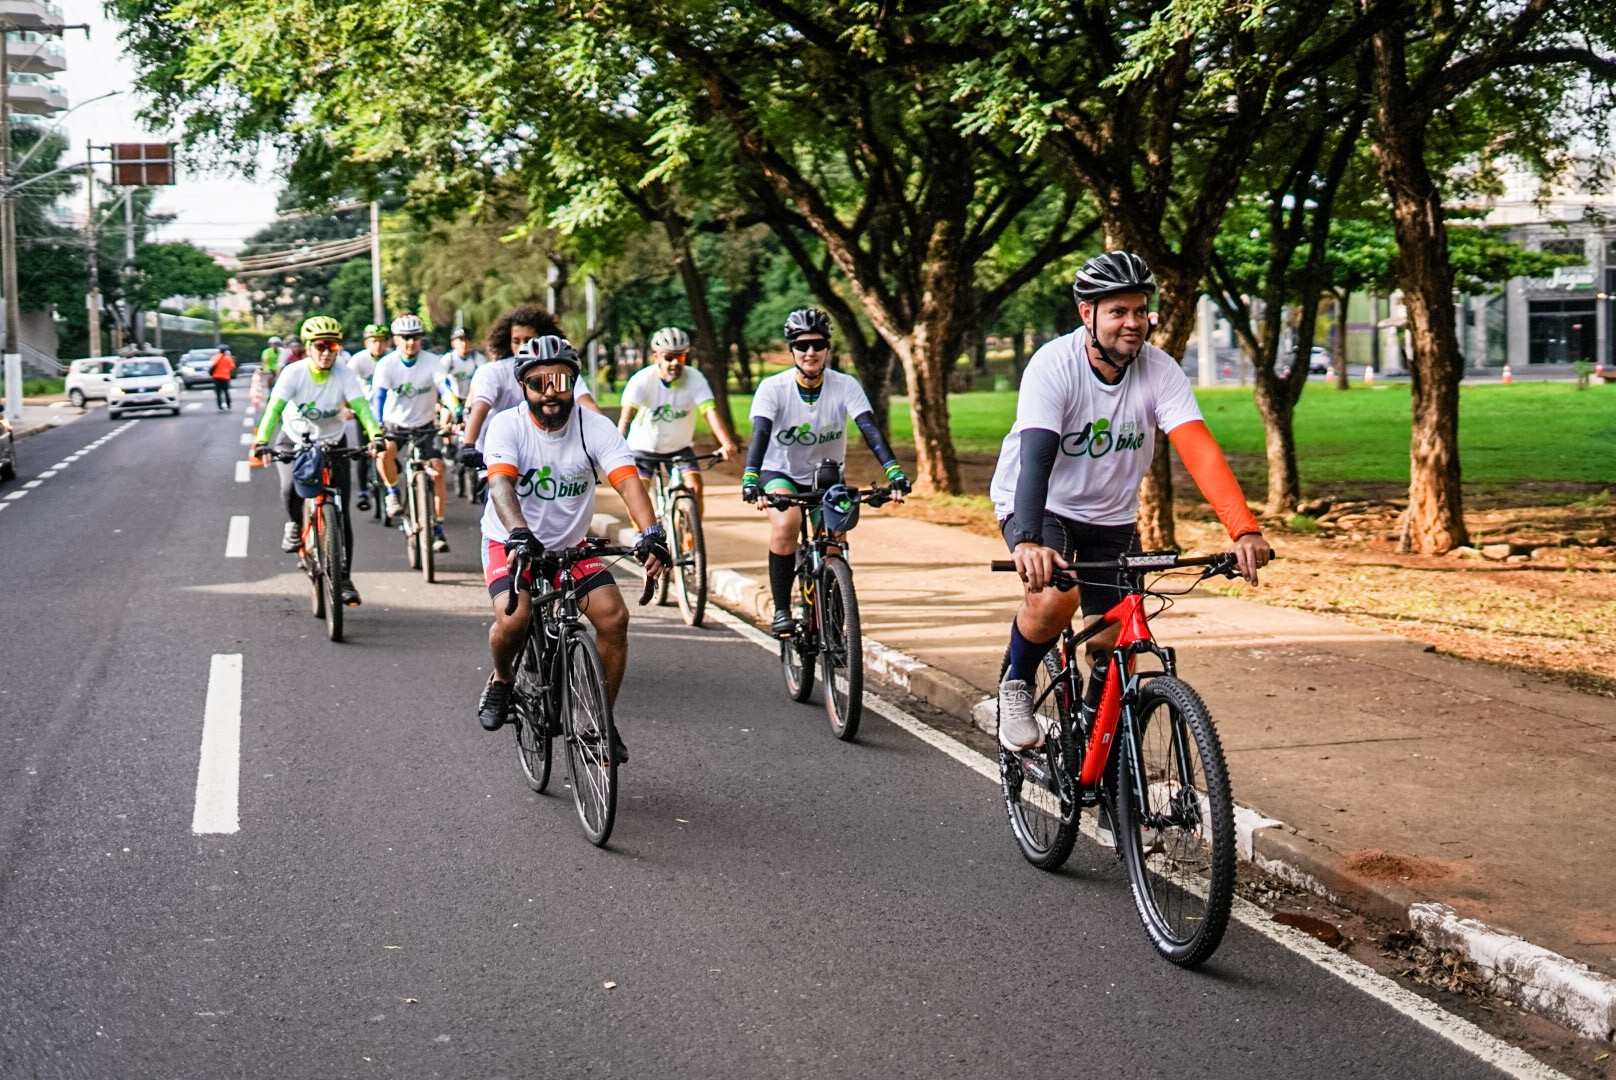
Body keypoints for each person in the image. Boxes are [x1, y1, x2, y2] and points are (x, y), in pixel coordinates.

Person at [992, 251, 1273, 751]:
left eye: (1140, 311)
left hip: (1112, 516)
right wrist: (1029, 541)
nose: (1132, 323)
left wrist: (1243, 528)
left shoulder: (1160, 370)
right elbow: (1036, 459)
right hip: (1041, 504)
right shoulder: (1053, 365)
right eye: (1118, 312)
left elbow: (1199, 450)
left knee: (1111, 641)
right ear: (1087, 314)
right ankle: (1015, 683)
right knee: (1056, 594)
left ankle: (1089, 738)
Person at [476, 336, 670, 763]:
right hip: (510, 540)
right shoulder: (508, 425)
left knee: (614, 616)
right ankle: (503, 680)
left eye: (560, 380)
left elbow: (626, 481)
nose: (550, 391)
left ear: (573, 381)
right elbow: (500, 483)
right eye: (538, 382)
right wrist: (518, 531)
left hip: (571, 546)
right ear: (524, 385)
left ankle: (599, 722)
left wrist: (651, 531)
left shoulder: (594, 427)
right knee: (514, 618)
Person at [740, 308, 911, 637]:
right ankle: (781, 609)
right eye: (802, 345)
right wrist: (750, 477)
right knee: (788, 522)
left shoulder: (845, 385)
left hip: (827, 477)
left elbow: (869, 430)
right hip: (781, 473)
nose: (810, 352)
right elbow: (760, 435)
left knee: (835, 541)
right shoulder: (772, 388)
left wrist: (894, 472)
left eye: (817, 344)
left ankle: (831, 619)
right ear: (791, 349)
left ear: (828, 348)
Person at [250, 316, 382, 607]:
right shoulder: (293, 373)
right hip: (295, 441)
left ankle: (344, 576)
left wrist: (376, 434)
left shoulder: (344, 373)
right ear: (308, 347)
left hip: (333, 443)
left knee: (342, 512)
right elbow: (274, 409)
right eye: (320, 346)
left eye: (331, 346)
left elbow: (362, 407)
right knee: (289, 489)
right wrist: (262, 441)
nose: (326, 352)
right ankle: (295, 524)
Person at [459, 305, 600, 471]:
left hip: (546, 457)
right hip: (498, 455)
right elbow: (480, 409)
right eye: (516, 341)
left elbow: (587, 404)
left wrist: (605, 434)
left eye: (528, 340)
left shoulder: (562, 372)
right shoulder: (493, 372)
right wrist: (468, 445)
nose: (521, 346)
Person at [617, 326, 739, 516]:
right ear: (656, 357)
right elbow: (627, 415)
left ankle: (691, 540)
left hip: (680, 447)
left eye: (681, 357)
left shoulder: (695, 378)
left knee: (695, 487)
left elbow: (709, 412)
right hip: (643, 448)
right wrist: (618, 445)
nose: (675, 362)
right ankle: (639, 536)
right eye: (669, 357)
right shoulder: (641, 380)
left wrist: (726, 443)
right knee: (637, 493)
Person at [372, 314, 459, 552]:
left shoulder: (432, 361)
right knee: (383, 453)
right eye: (405, 338)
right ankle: (391, 491)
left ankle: (438, 528)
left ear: (421, 339)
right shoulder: (386, 364)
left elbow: (445, 388)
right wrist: (376, 424)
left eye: (415, 338)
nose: (410, 343)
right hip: (395, 424)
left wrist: (456, 408)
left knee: (438, 470)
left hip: (425, 424)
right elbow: (378, 397)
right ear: (396, 340)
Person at [346, 324, 389, 511]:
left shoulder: (390, 359)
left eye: (381, 341)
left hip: (387, 413)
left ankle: (389, 485)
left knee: (388, 451)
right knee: (364, 452)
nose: (378, 345)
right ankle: (363, 490)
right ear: (366, 343)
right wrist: (345, 407)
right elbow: (345, 386)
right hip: (363, 412)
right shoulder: (358, 361)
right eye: (374, 341)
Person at [209, 344, 235, 411]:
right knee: (226, 391)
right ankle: (228, 405)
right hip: (225, 377)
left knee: (218, 393)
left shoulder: (214, 357)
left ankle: (220, 406)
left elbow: (211, 365)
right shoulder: (228, 358)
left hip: (216, 377)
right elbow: (232, 367)